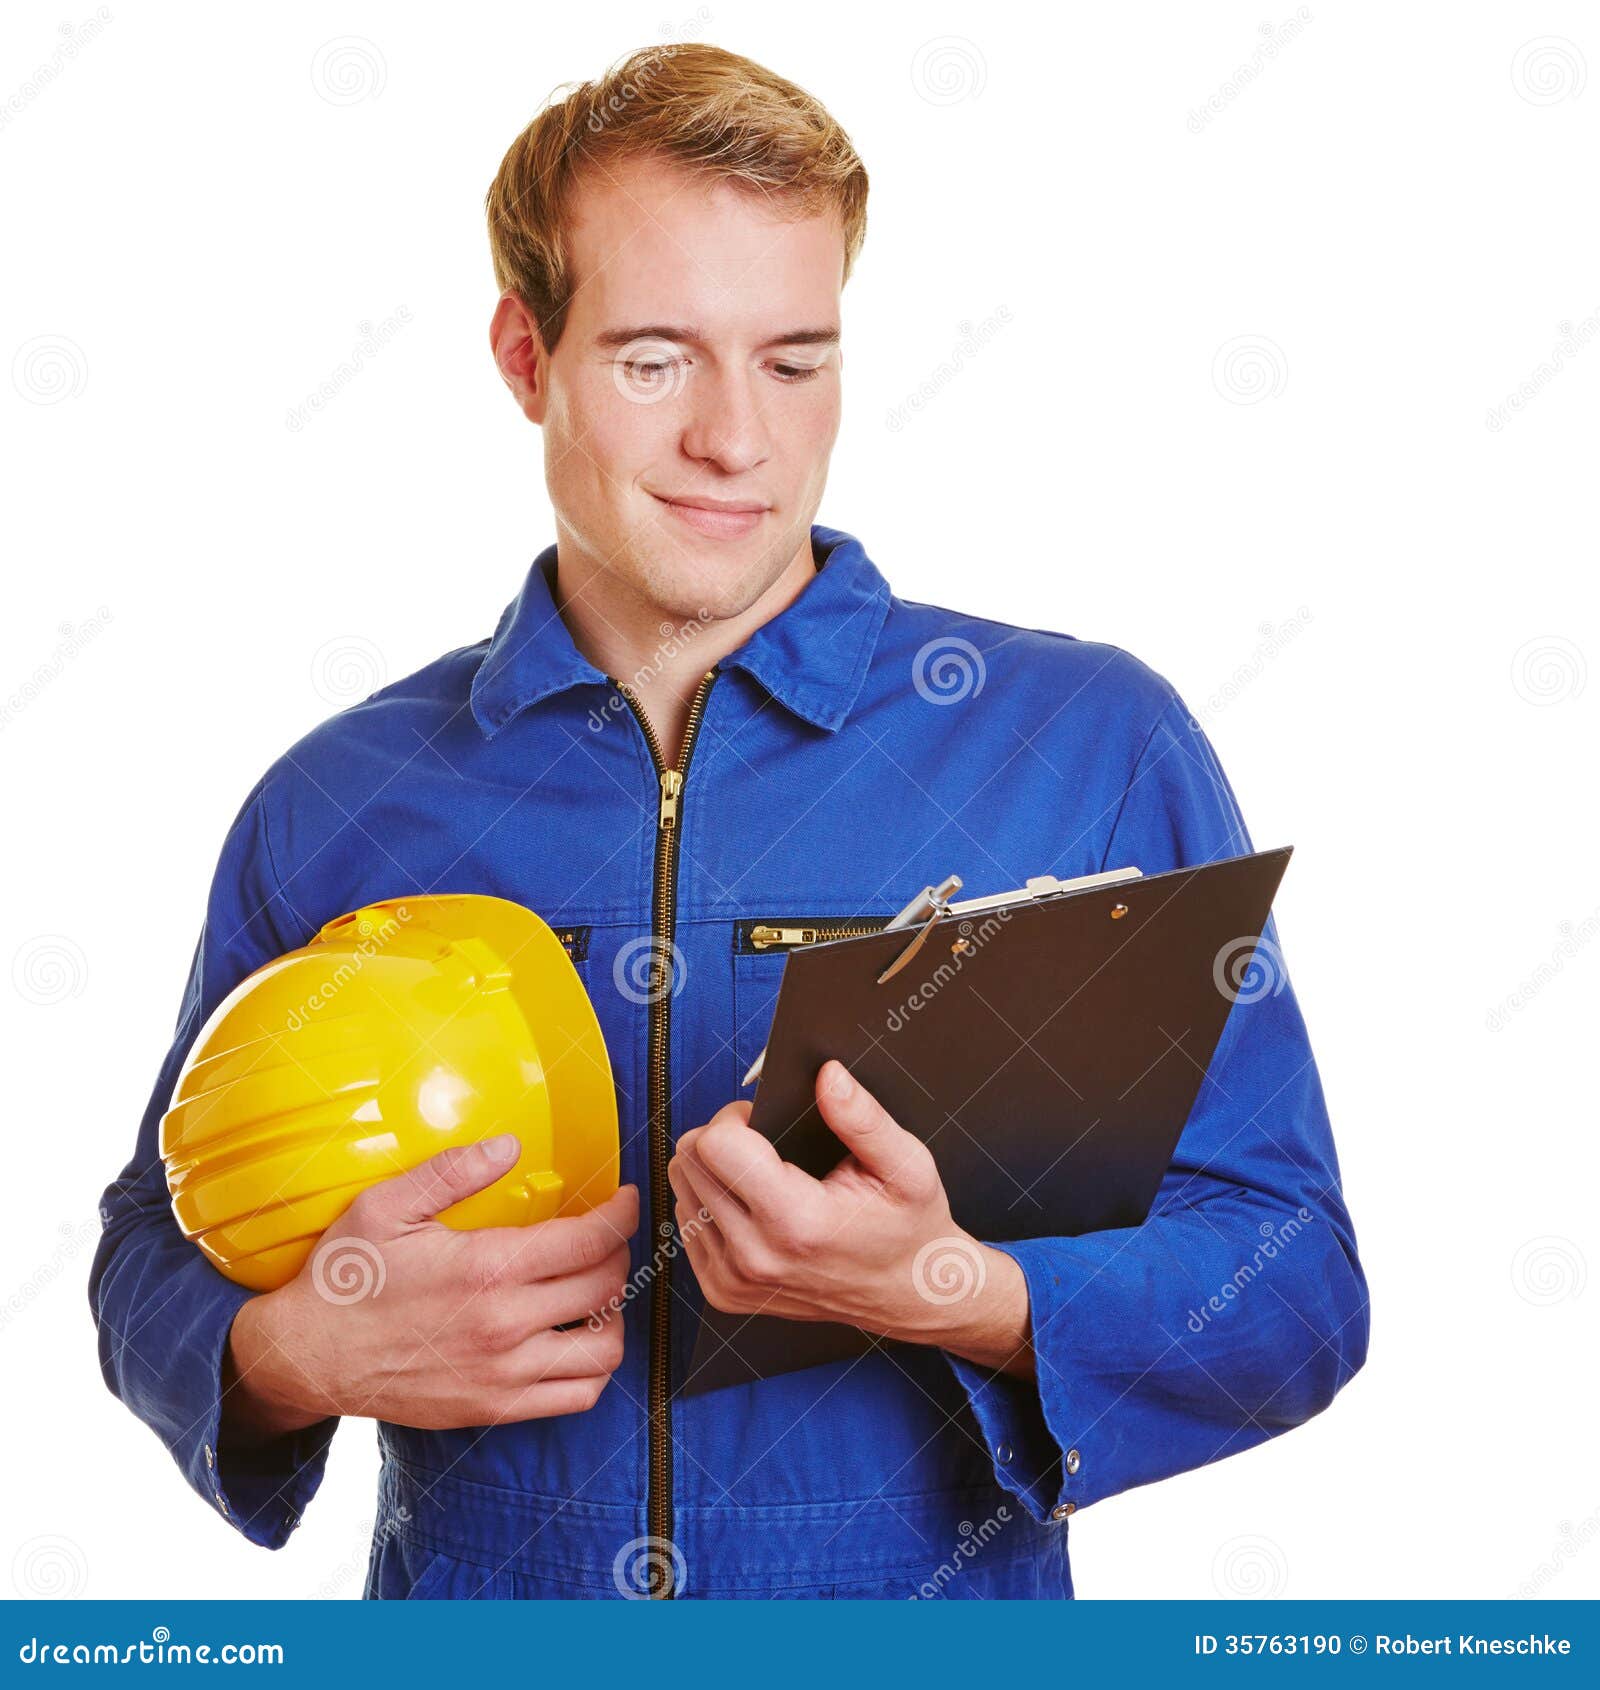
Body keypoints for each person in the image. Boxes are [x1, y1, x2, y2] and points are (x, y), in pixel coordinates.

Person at [89, 42, 1368, 1601]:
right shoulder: (342, 799)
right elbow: (154, 1237)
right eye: (655, 360)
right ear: (525, 355)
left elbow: (1295, 1282)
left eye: (794, 360)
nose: (736, 439)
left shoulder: (1083, 747)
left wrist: (957, 1287)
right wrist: (288, 1351)